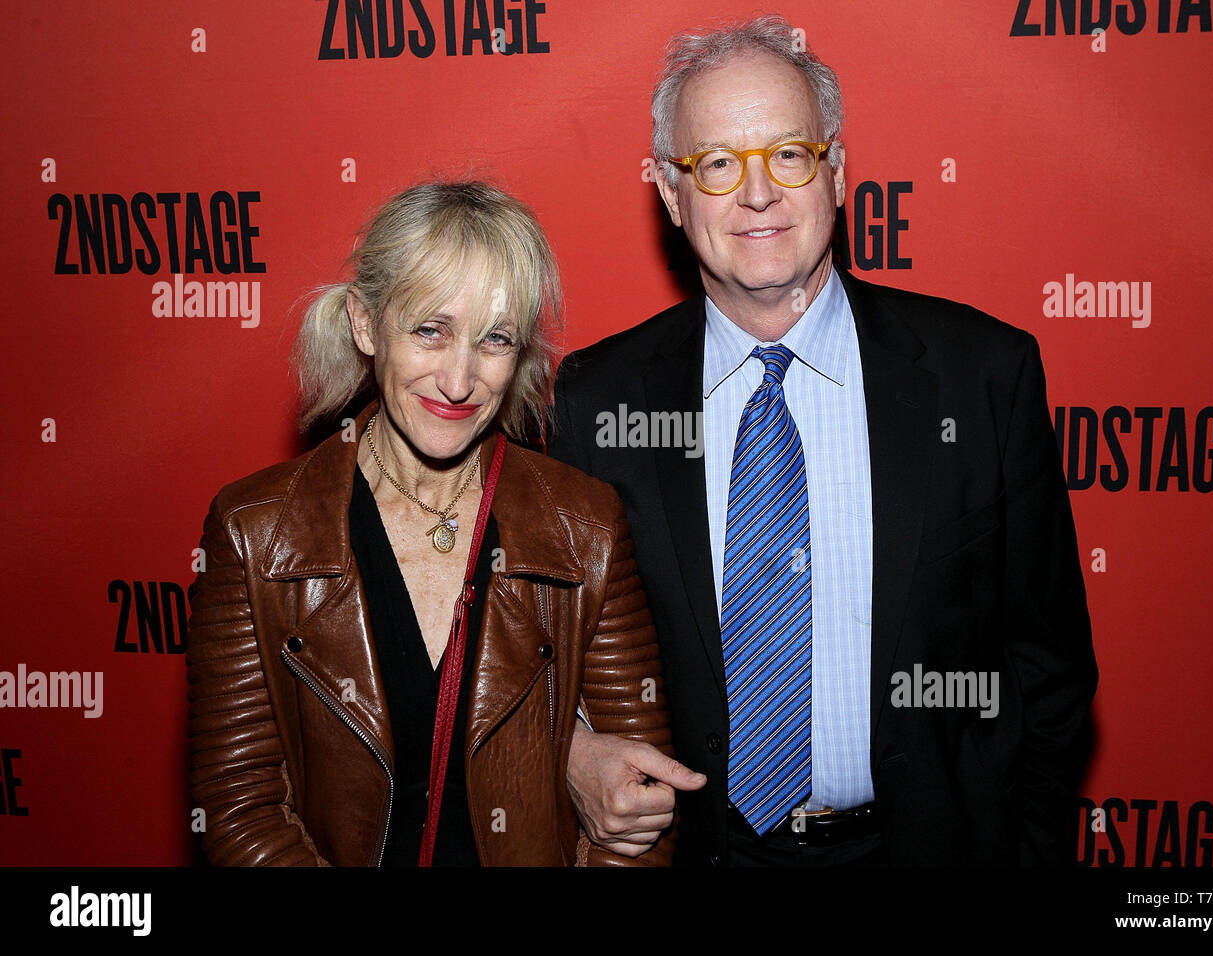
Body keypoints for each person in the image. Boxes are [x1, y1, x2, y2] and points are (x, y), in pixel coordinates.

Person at [552, 15, 1098, 866]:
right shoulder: (596, 400)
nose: (758, 193)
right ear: (669, 191)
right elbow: (545, 650)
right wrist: (573, 750)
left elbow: (1049, 671)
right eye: (719, 163)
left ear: (836, 172)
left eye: (789, 154)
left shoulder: (982, 376)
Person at [185, 180, 679, 866]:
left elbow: (639, 803)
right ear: (364, 323)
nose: (458, 380)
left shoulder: (585, 527)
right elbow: (239, 809)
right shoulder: (257, 532)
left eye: (494, 339)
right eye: (429, 330)